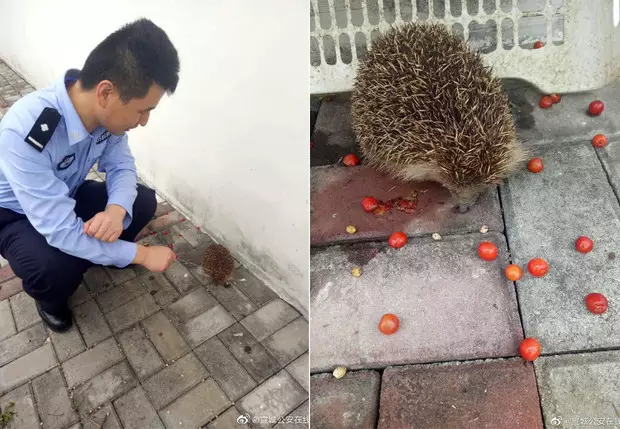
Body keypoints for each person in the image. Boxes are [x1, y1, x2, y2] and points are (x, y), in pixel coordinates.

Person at [0, 18, 179, 332]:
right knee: (53, 268)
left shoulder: (107, 119)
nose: (145, 121)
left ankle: (99, 253)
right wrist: (141, 254)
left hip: (63, 193)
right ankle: (51, 301)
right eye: (142, 110)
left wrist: (115, 210)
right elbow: (61, 231)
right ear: (106, 92)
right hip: (13, 214)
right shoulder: (25, 130)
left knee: (141, 202)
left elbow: (122, 167)